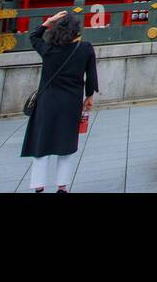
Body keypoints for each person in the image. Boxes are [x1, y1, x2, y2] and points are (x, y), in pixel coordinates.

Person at [22, 10, 99, 193]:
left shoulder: (48, 49)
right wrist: (89, 96)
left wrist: (49, 21)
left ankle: (39, 186)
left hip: (47, 101)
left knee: (41, 144)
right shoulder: (85, 48)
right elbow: (91, 75)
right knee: (66, 144)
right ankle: (62, 187)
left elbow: (33, 36)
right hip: (71, 102)